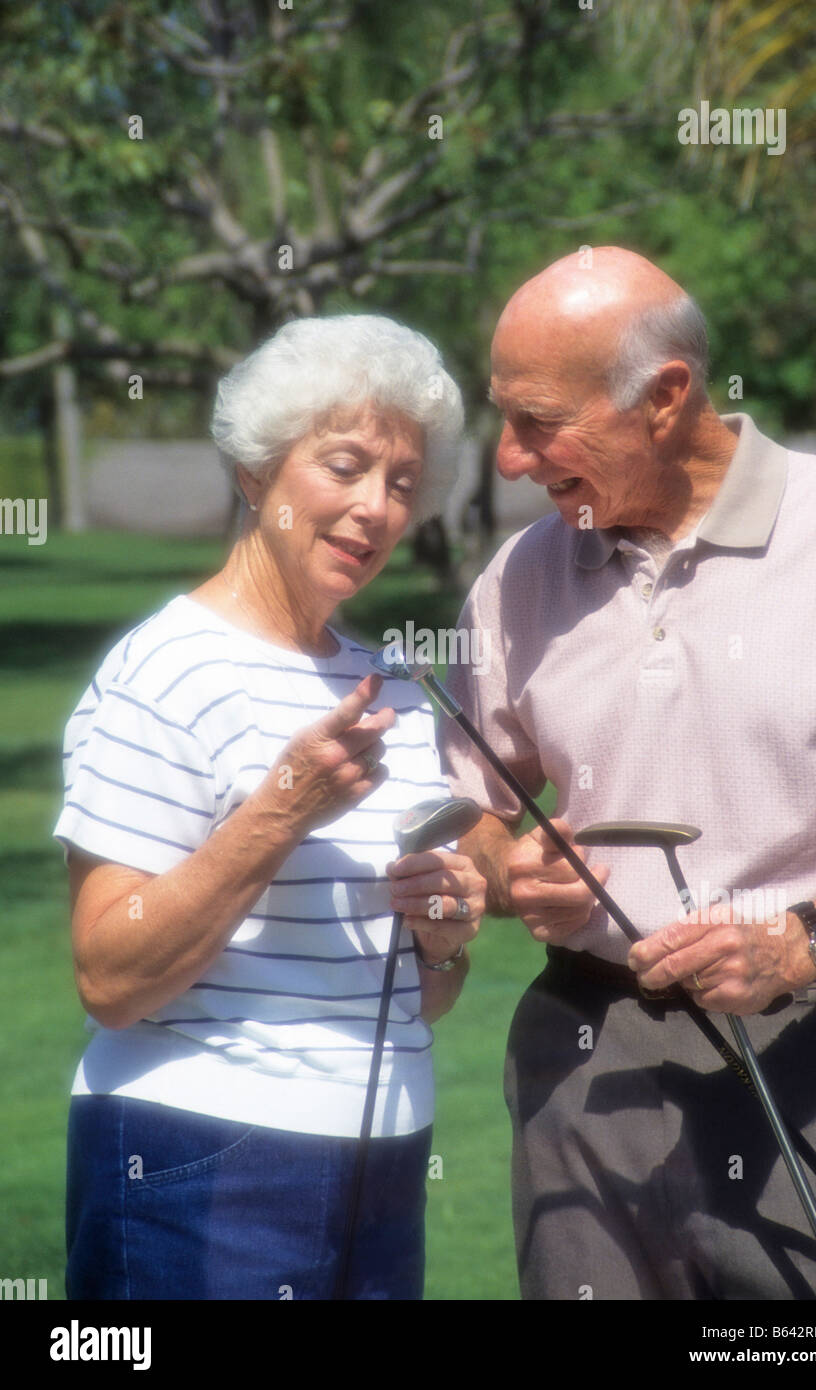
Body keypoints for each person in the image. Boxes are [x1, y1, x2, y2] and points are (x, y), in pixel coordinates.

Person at [439, 246, 816, 1300]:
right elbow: (463, 808)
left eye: (539, 421)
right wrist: (503, 867)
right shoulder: (518, 578)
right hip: (583, 1061)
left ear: (666, 397)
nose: (507, 459)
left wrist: (806, 938)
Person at [54, 314, 486, 1301]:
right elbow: (109, 976)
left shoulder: (394, 688)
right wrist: (284, 806)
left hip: (384, 1157)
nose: (375, 508)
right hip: (194, 1159)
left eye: (402, 484)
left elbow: (426, 993)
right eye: (344, 467)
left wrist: (444, 932)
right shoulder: (161, 671)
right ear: (255, 474)